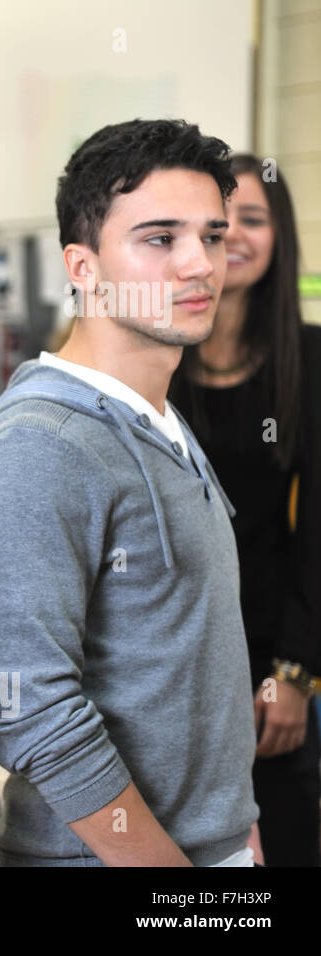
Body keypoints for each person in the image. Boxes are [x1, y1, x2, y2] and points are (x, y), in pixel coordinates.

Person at [0, 118, 258, 866]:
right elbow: (32, 708)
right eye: (160, 238)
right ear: (83, 267)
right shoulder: (42, 444)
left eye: (212, 236)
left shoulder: (156, 418)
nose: (200, 264)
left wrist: (236, 828)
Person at [169, 154, 321, 867]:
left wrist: (294, 671)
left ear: (279, 235)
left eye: (250, 220)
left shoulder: (309, 359)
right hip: (163, 648)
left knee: (277, 844)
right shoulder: (155, 354)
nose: (230, 237)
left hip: (267, 648)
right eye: (213, 225)